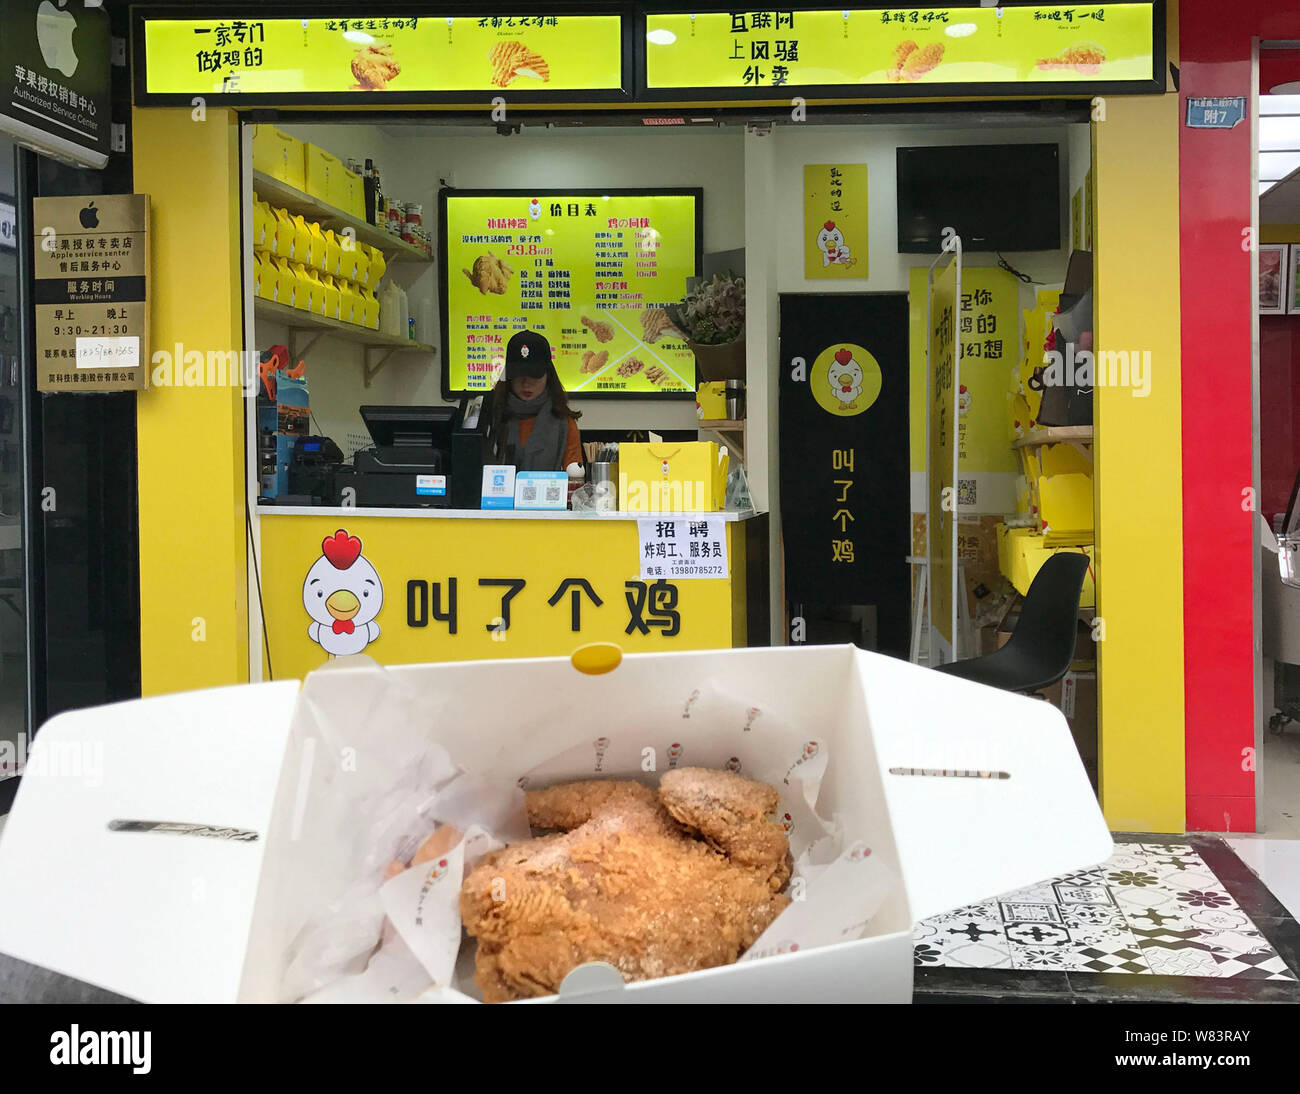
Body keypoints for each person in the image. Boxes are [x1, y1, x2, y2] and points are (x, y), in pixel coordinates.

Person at [486, 330, 582, 471]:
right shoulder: (489, 419)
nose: (526, 383)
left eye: (534, 375)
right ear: (508, 377)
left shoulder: (565, 425)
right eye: (519, 375)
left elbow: (575, 478)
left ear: (548, 375)